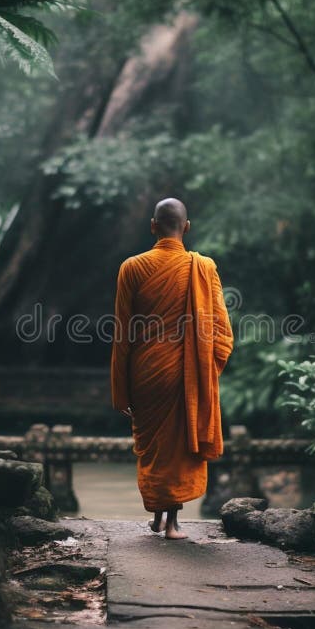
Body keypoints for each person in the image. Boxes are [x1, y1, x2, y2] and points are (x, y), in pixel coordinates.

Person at [110, 198, 234, 539]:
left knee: (154, 445)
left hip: (145, 372)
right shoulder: (204, 267)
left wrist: (120, 388)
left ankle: (157, 517)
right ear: (187, 227)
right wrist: (206, 365)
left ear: (152, 226)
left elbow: (122, 333)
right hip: (185, 372)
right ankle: (173, 523)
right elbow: (222, 332)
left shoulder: (131, 267)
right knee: (179, 443)